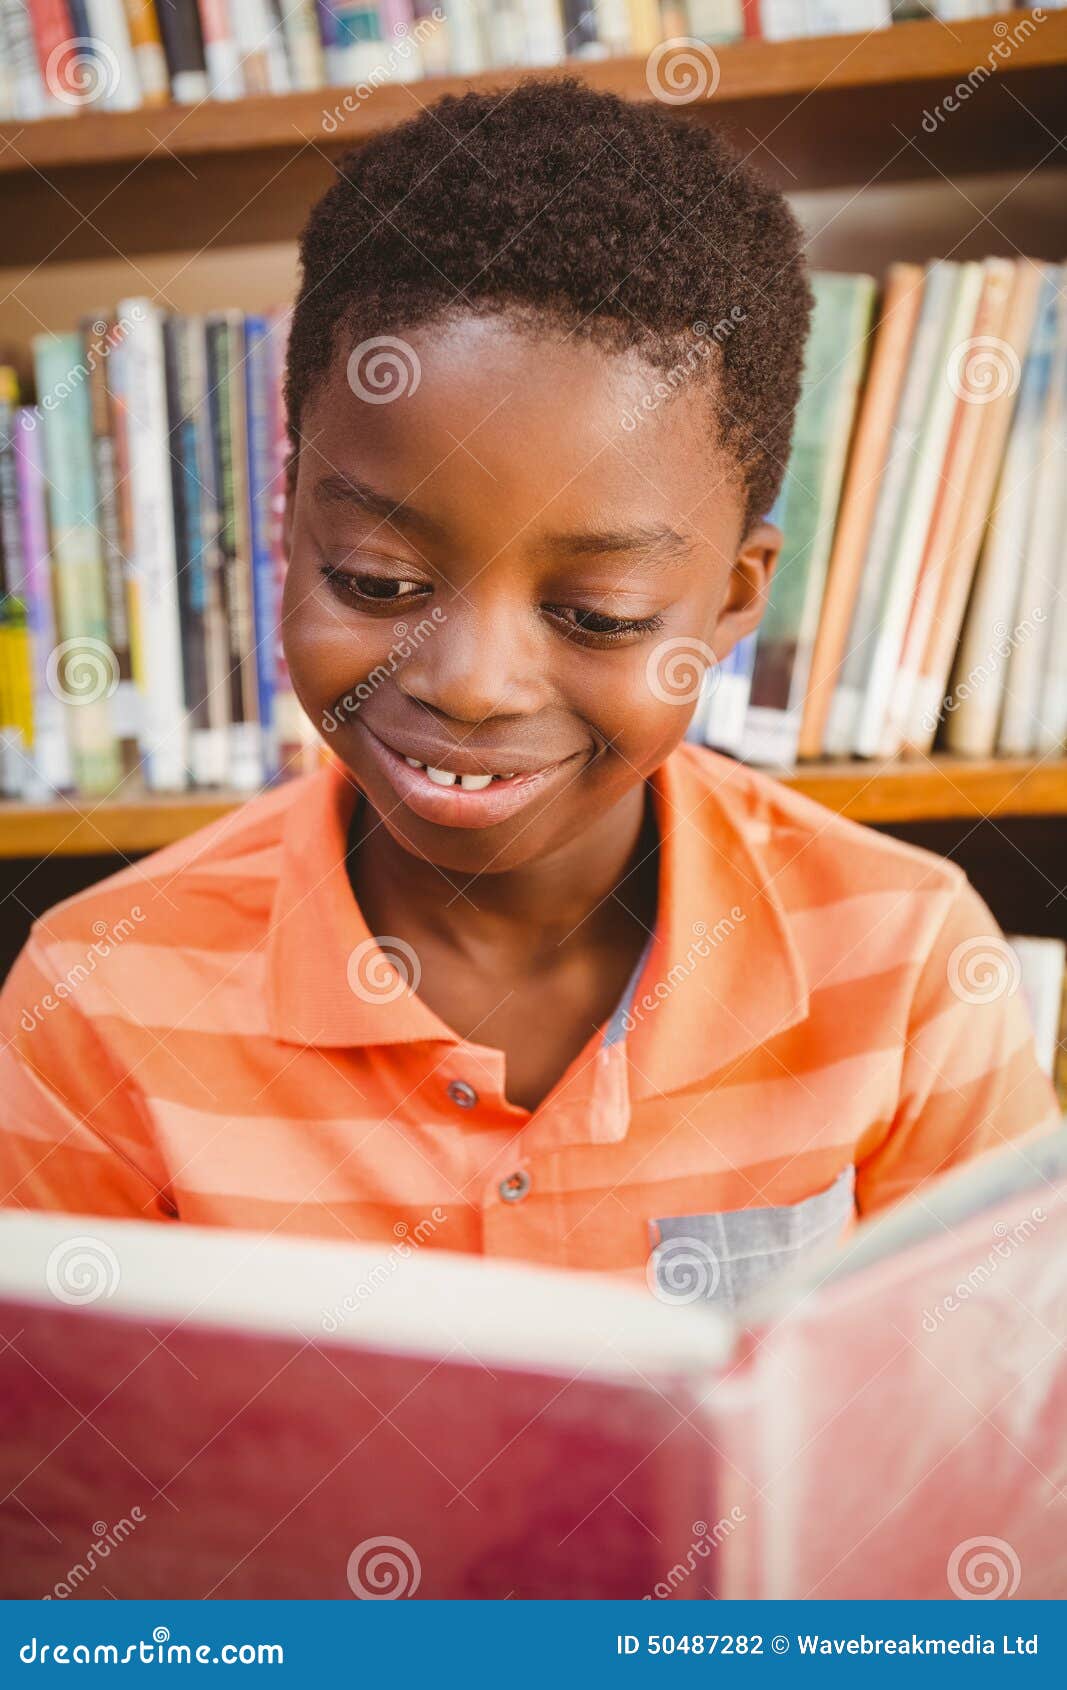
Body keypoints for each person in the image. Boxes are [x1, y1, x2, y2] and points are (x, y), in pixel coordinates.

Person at [0, 82, 1057, 1307]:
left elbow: (996, 1445)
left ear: (728, 599)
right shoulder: (100, 994)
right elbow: (59, 1478)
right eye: (377, 580)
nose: (469, 683)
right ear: (286, 534)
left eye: (596, 615)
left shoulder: (909, 962)